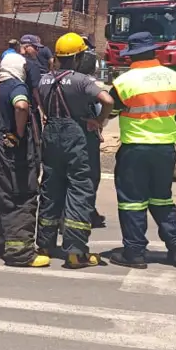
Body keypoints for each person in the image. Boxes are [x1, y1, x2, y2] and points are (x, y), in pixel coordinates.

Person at [108, 32, 176, 269]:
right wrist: (167, 128)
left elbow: (109, 112)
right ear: (153, 51)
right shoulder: (174, 78)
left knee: (132, 201)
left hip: (135, 148)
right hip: (165, 148)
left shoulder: (125, 82)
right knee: (162, 198)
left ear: (131, 55)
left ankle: (134, 253)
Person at [36, 33, 114, 269]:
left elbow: (39, 102)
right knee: (80, 191)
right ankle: (75, 252)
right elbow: (108, 100)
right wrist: (99, 121)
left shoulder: (44, 80)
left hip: (51, 136)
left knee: (51, 188)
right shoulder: (81, 80)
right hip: (77, 138)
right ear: (79, 56)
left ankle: (44, 245)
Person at [0, 53, 49, 267]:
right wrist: (17, 133)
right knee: (19, 194)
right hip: (7, 145)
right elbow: (22, 106)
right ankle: (20, 252)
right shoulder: (17, 87)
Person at [75, 35, 107, 228]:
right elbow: (103, 105)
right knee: (90, 175)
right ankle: (87, 212)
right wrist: (99, 122)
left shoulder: (59, 78)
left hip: (65, 134)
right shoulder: (91, 85)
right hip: (87, 135)